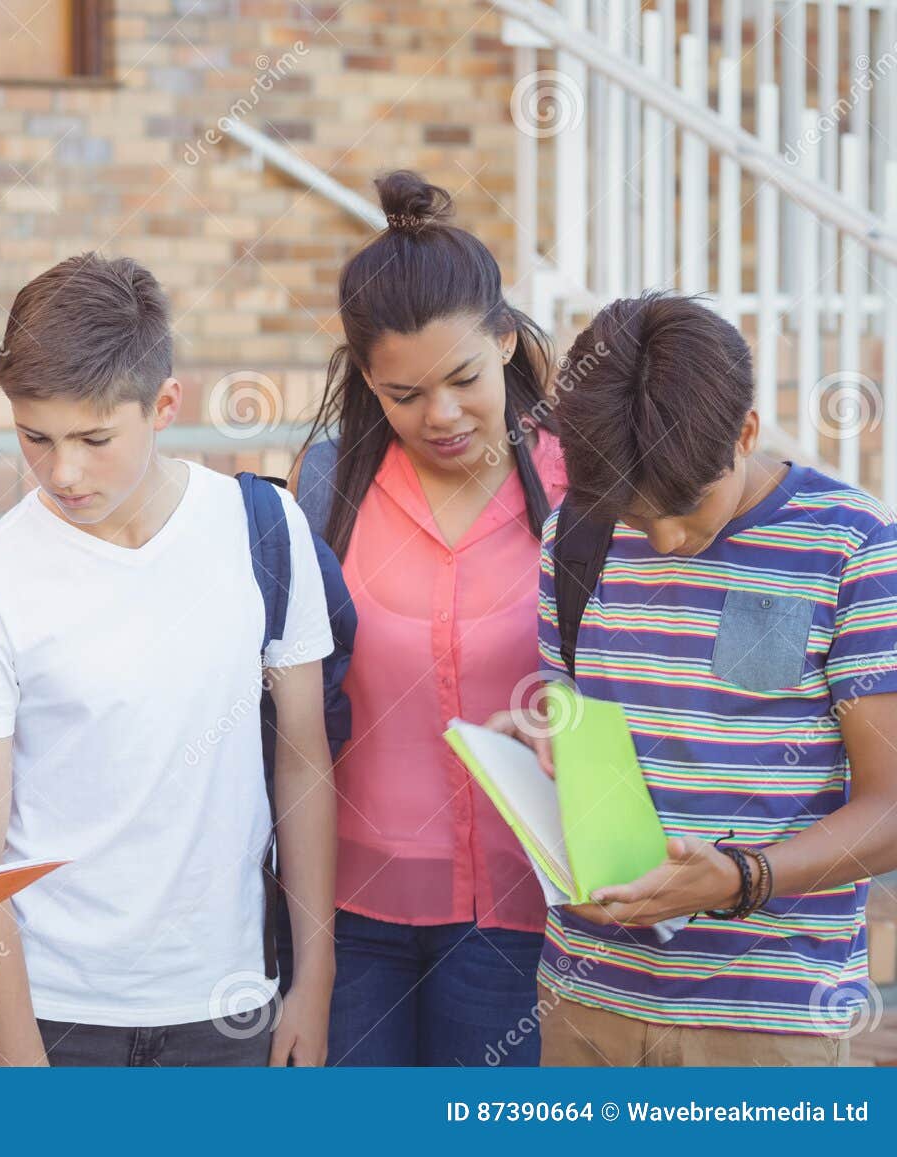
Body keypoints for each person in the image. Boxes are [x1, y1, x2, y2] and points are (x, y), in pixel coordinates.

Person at [0, 253, 337, 1067]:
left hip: (229, 1004)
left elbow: (303, 766)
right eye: (34, 437)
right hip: (51, 1014)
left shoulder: (264, 531)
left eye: (94, 438)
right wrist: (20, 1068)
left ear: (165, 404)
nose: (63, 471)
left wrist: (313, 981)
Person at [489, 292, 897, 1065]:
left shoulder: (853, 545)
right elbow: (590, 733)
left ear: (745, 432)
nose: (668, 538)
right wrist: (547, 744)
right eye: (637, 519)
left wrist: (743, 877)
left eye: (683, 506)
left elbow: (891, 804)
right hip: (585, 999)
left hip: (770, 1023)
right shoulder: (574, 535)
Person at [292, 171, 568, 1067]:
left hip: (521, 916)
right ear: (366, 379)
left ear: (505, 340)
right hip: (353, 914)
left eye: (464, 378)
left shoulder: (577, 484)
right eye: (403, 394)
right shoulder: (329, 486)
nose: (441, 416)